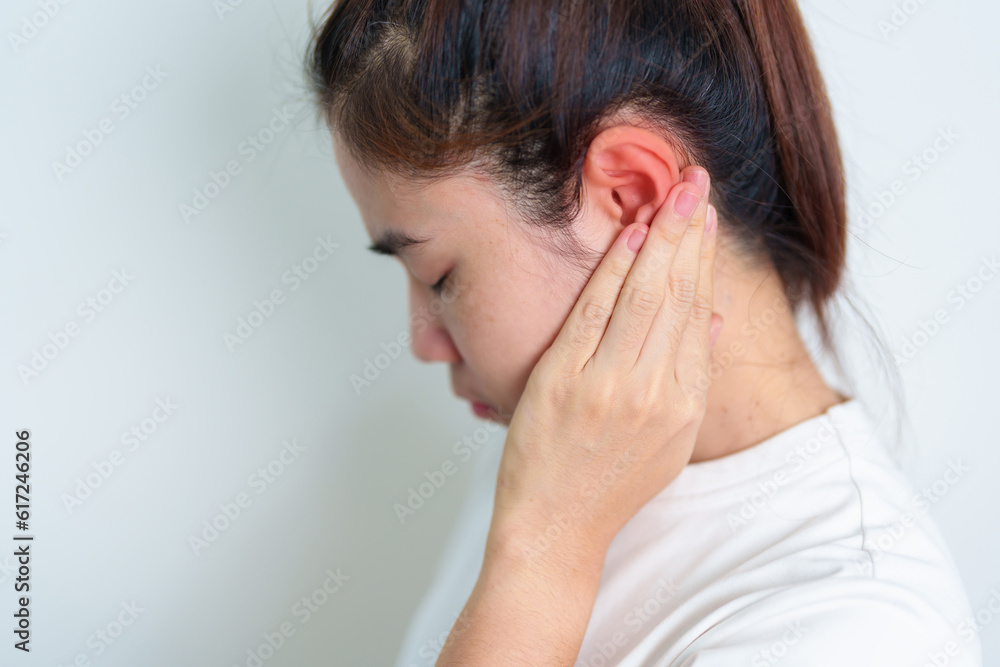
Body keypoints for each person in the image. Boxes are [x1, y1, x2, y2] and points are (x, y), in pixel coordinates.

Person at [306, 0, 982, 664]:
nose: (422, 341)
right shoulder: (563, 446)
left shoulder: (861, 630)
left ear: (633, 195)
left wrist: (546, 554)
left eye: (439, 275)